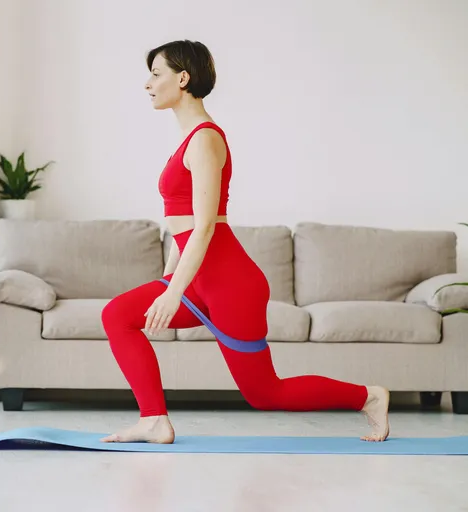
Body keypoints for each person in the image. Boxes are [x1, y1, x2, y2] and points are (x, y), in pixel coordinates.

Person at [100, 40, 390, 444]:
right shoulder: (187, 141)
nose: (147, 84)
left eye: (155, 74)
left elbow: (204, 228)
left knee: (265, 393)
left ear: (182, 79)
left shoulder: (205, 138)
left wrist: (173, 292)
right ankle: (153, 420)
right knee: (118, 315)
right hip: (199, 279)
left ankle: (368, 397)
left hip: (229, 284)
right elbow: (180, 223)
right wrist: (168, 281)